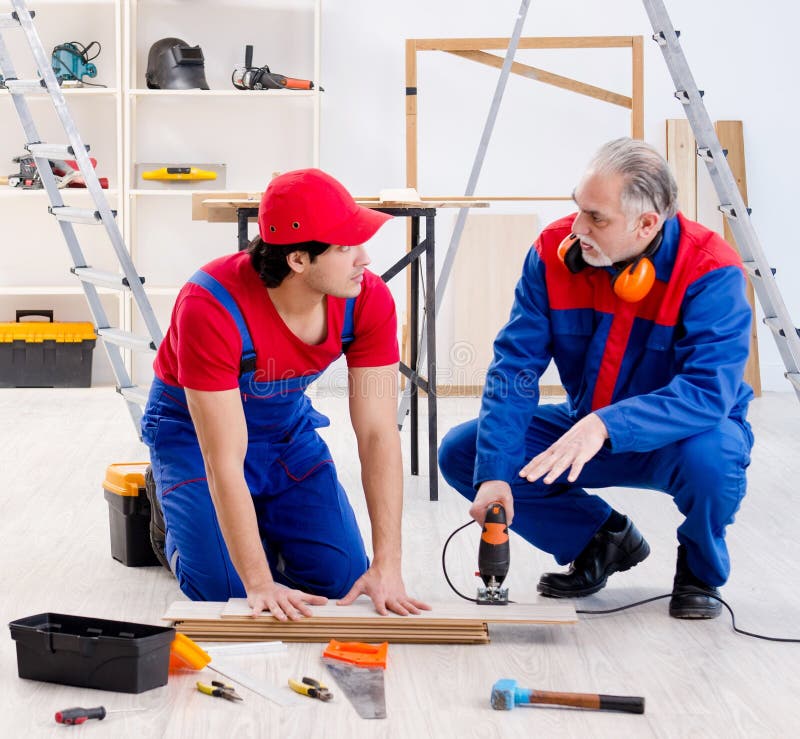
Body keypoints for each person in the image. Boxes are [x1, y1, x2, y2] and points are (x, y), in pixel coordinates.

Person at [438, 138, 754, 619]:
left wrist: (606, 424)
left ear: (647, 223)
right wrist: (496, 475)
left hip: (683, 435)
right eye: (578, 209)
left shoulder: (710, 270)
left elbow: (708, 392)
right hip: (585, 427)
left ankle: (699, 572)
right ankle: (600, 540)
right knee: (468, 452)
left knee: (715, 461)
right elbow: (515, 367)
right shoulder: (552, 253)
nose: (578, 228)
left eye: (597, 218)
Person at [141, 168, 429, 621]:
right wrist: (258, 581)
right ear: (298, 259)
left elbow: (377, 432)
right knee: (225, 593)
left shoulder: (368, 298)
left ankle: (252, 524)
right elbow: (223, 459)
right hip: (194, 437)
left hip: (283, 432)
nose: (366, 259)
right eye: (346, 247)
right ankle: (170, 510)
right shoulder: (210, 304)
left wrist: (387, 566)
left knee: (343, 581)